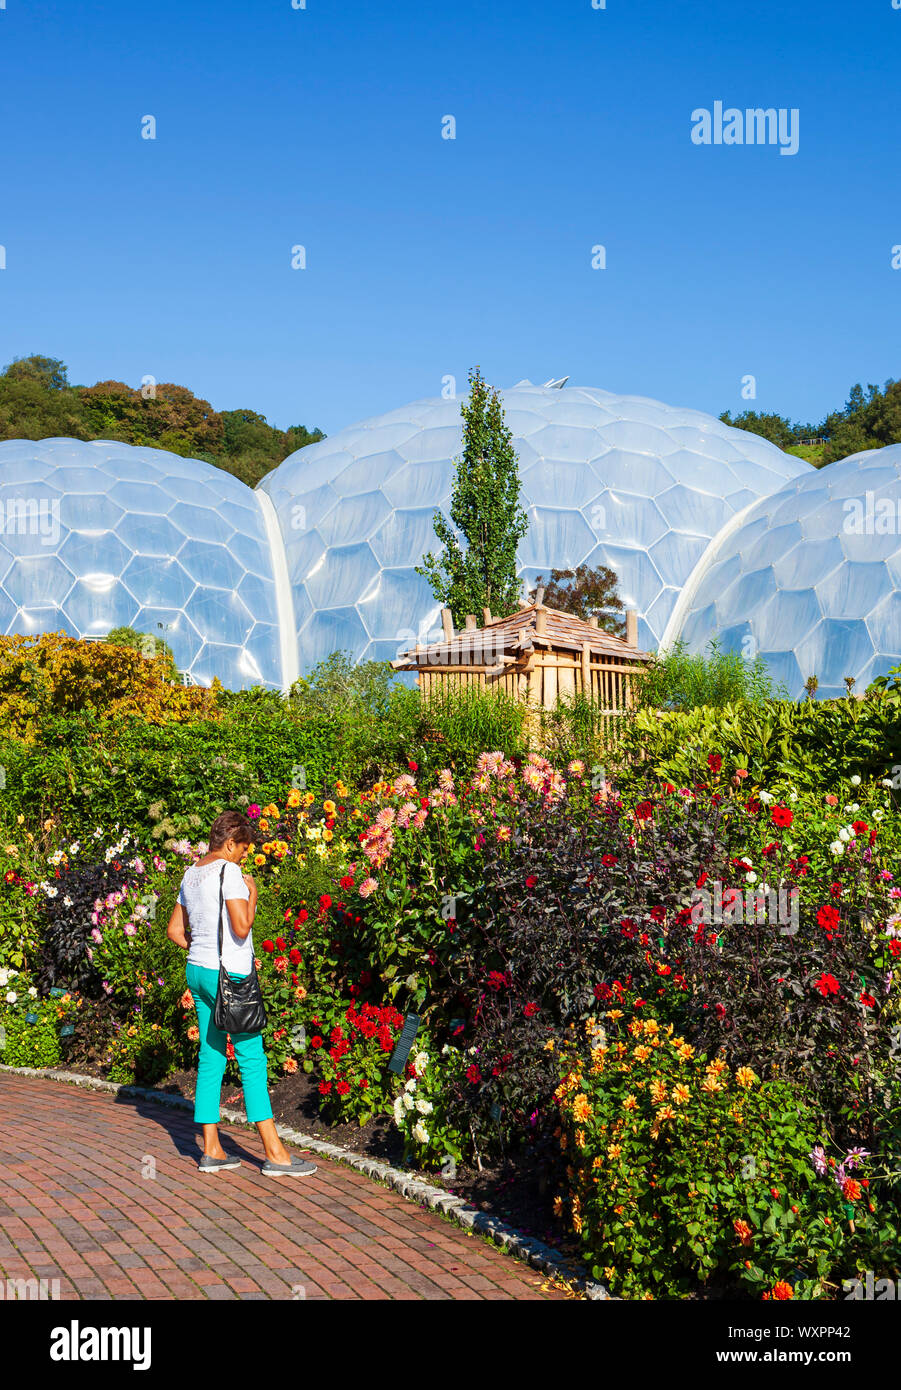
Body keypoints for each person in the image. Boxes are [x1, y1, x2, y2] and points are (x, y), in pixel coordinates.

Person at [166, 809, 316, 1178]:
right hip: (229, 976)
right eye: (243, 850)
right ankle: (275, 1154)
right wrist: (252, 893)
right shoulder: (229, 872)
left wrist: (200, 950)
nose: (244, 858)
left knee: (211, 1054)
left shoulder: (191, 873)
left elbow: (174, 930)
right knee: (252, 1058)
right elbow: (242, 924)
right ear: (230, 843)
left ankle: (212, 1149)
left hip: (198, 972)